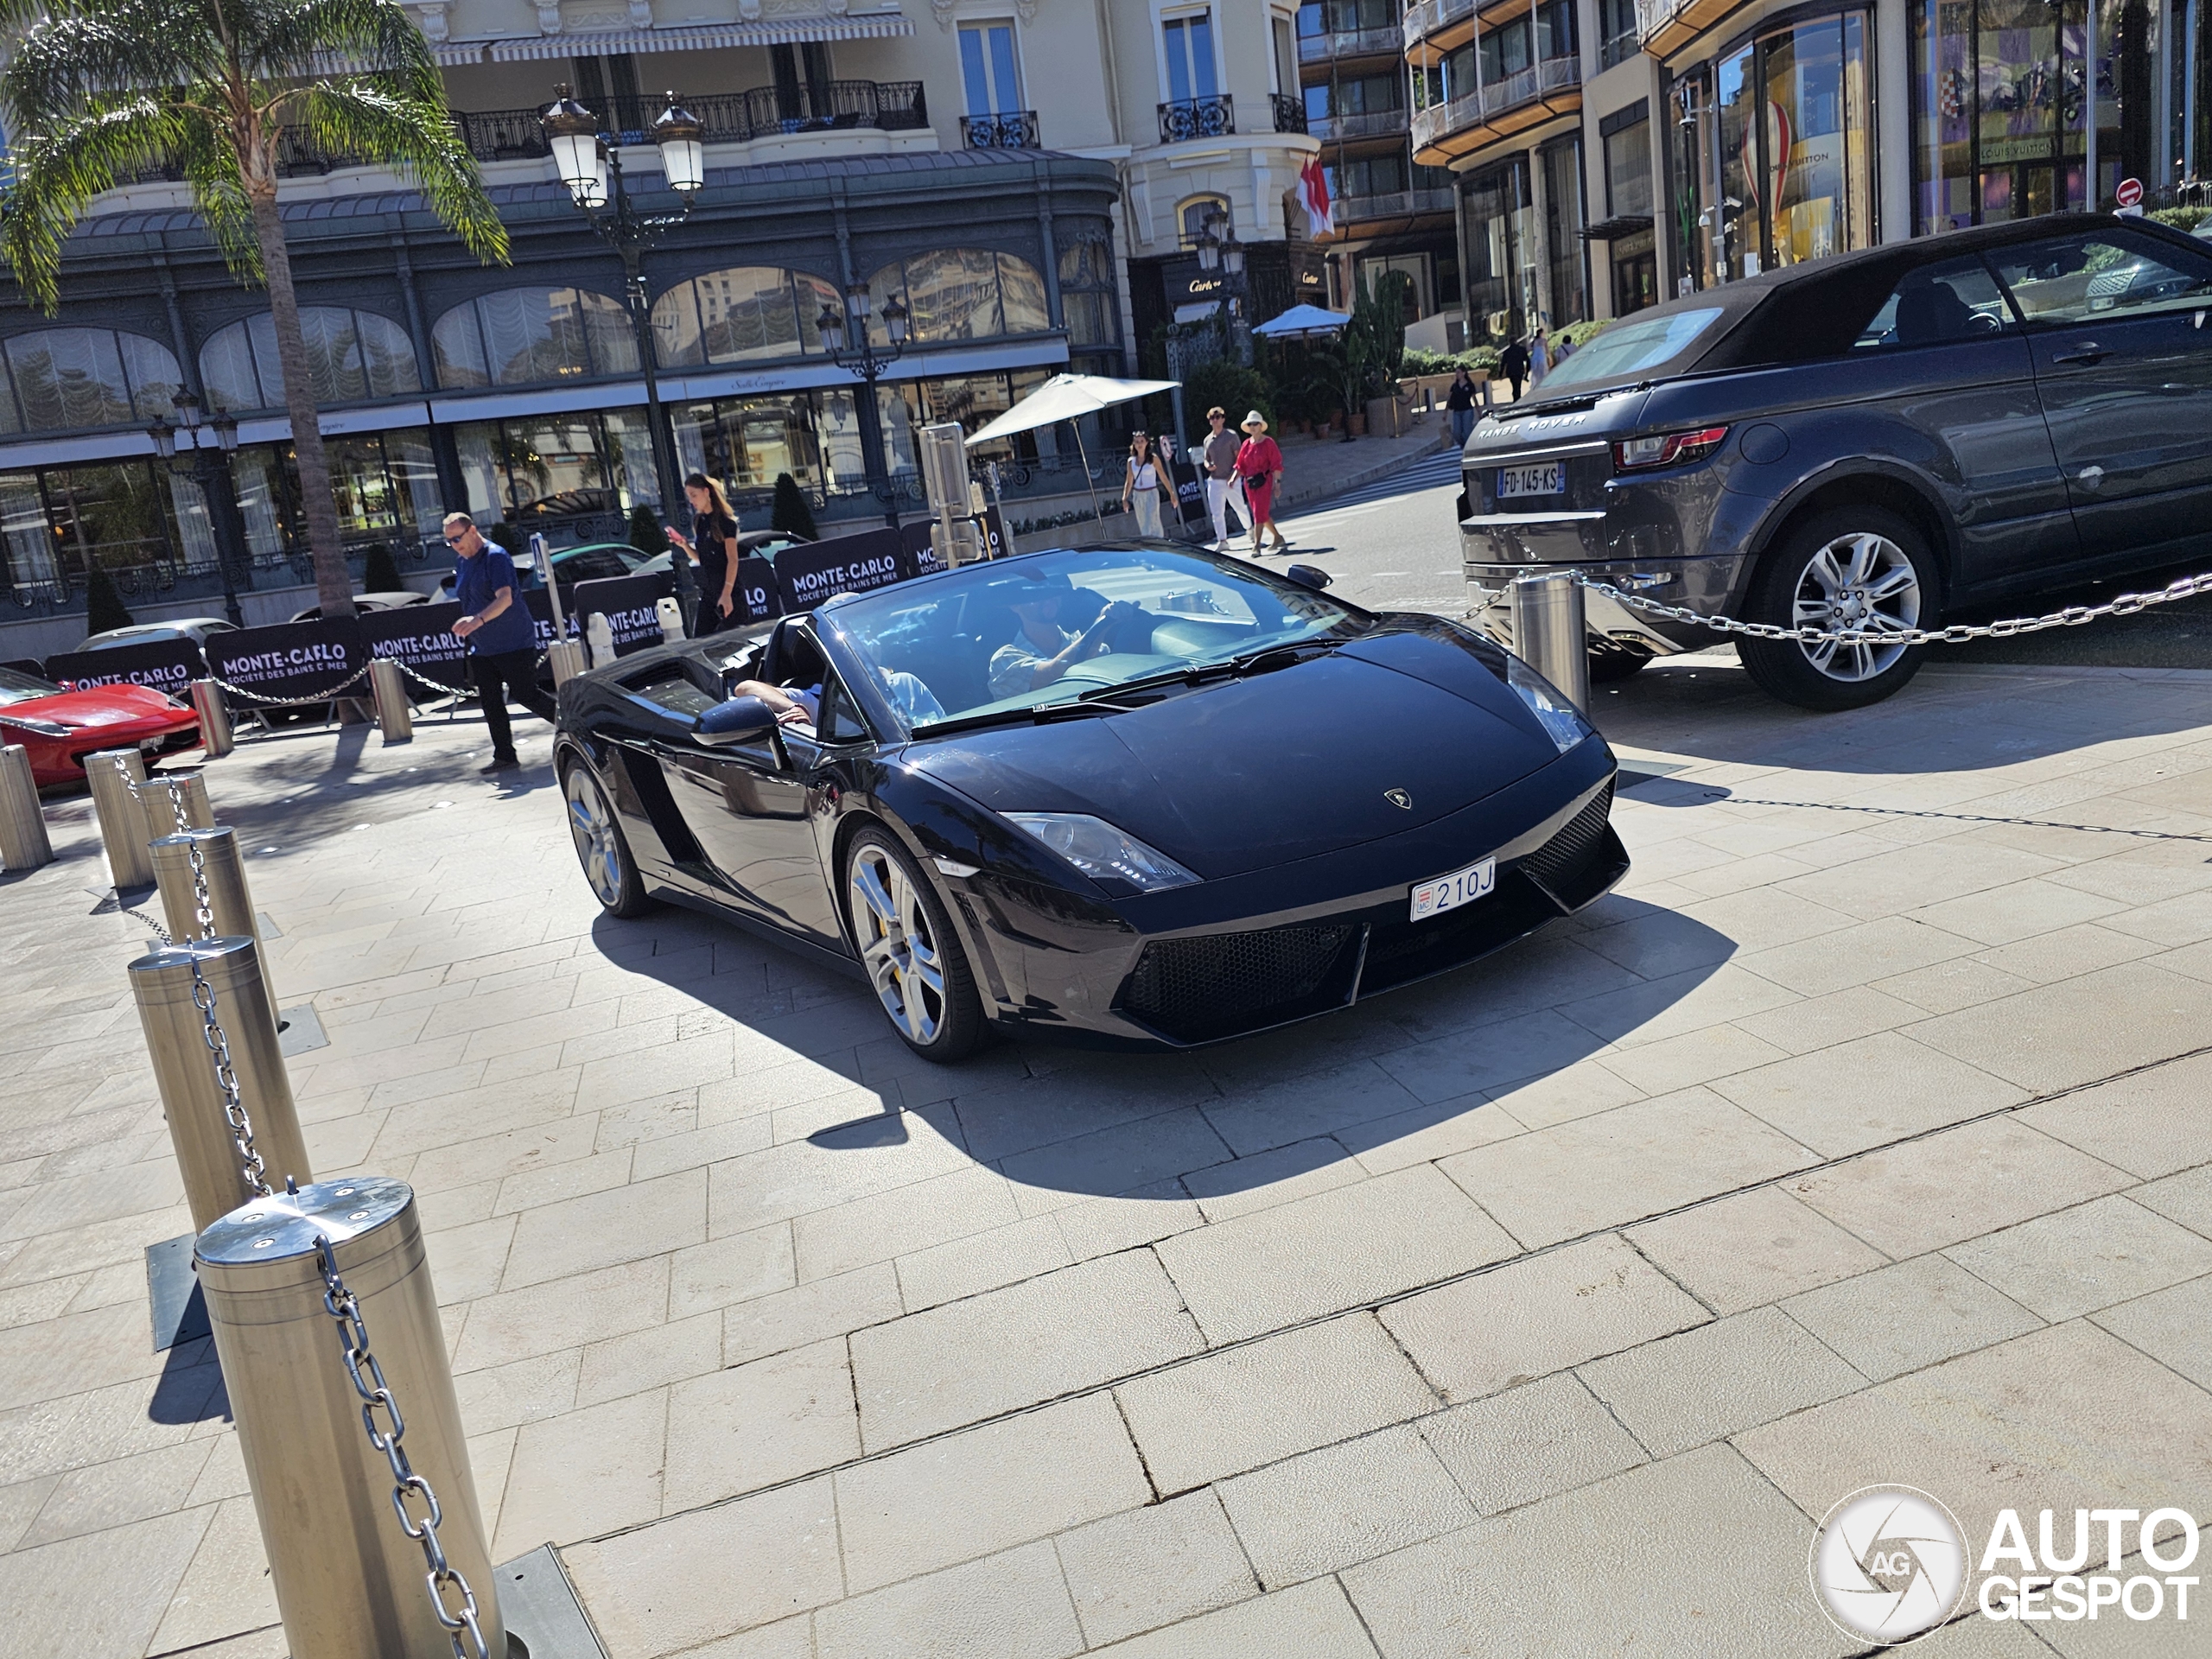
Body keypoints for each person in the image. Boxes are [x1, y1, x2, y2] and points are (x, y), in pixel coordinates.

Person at [445, 511, 556, 774]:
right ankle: (504, 755)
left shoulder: (495, 557)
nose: (454, 545)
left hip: (514, 641)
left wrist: (477, 620)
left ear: (472, 531)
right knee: (491, 701)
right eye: (448, 541)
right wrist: (470, 622)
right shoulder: (462, 562)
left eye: (457, 538)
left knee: (526, 694)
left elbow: (504, 598)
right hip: (482, 646)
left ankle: (574, 726)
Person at [987, 575, 1148, 698]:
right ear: (1015, 606)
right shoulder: (1005, 659)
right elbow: (1053, 672)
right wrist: (1101, 624)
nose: (1048, 598)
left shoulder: (1097, 649)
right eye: (1035, 595)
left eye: (1052, 591)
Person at [664, 473, 741, 632]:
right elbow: (701, 558)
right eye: (689, 497)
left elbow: (733, 560)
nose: (692, 501)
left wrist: (727, 594)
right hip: (709, 592)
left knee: (734, 642)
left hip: (729, 591)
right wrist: (684, 545)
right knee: (701, 638)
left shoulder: (726, 523)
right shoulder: (699, 522)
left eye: (694, 495)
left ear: (706, 492)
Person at [1235, 410, 1289, 556]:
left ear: (1260, 425)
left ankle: (1257, 546)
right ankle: (1278, 537)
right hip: (1250, 483)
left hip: (1264, 481)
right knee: (1261, 513)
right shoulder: (1246, 444)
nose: (1253, 427)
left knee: (1259, 513)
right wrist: (1232, 479)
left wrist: (1277, 484)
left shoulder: (1268, 443)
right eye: (1250, 424)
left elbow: (1276, 464)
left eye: (1255, 424)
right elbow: (1240, 465)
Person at [1199, 405, 1243, 549]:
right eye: (1212, 418)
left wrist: (1234, 474)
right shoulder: (1207, 440)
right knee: (1217, 512)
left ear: (1223, 419)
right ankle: (1222, 540)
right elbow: (1205, 458)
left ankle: (1250, 530)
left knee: (1239, 507)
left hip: (1231, 477)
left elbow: (1239, 457)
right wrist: (1207, 465)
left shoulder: (1231, 436)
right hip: (1215, 480)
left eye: (1218, 417)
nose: (1215, 420)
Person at [1122, 431, 1171, 537]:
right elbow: (1129, 481)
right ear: (1134, 444)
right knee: (1143, 525)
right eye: (1137, 442)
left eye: (1142, 441)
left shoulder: (1153, 459)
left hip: (1151, 494)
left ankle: (1158, 544)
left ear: (1147, 443)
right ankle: (1151, 548)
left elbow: (1163, 476)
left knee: (1152, 522)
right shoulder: (1131, 462)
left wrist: (1172, 494)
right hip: (1138, 495)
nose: (1139, 444)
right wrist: (1124, 498)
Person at [1445, 367, 1478, 446]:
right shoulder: (1454, 386)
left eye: (1458, 372)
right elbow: (1449, 399)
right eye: (1456, 373)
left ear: (1464, 373)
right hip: (1457, 411)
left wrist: (1479, 412)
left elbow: (1474, 399)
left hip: (1467, 410)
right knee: (1456, 433)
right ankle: (1463, 444)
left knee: (1466, 432)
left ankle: (1467, 446)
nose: (1457, 374)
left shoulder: (1470, 385)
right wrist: (1445, 413)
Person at [1500, 336, 1531, 401]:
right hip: (1519, 370)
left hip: (1511, 371)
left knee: (1514, 385)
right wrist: (1527, 374)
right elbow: (1528, 361)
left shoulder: (1507, 352)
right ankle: (1517, 397)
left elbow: (1503, 364)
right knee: (1518, 386)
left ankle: (1516, 397)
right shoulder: (1521, 349)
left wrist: (1500, 373)